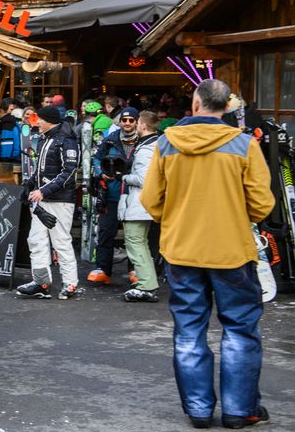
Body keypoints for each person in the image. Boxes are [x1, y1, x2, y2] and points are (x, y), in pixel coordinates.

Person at [139, 79, 275, 429]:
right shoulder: (244, 145)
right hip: (231, 252)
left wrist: (178, 218)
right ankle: (239, 410)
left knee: (188, 330)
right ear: (226, 108)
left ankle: (199, 410)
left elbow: (151, 201)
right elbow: (262, 205)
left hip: (181, 251)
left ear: (196, 106)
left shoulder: (166, 143)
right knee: (240, 331)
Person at [16, 107, 80, 300]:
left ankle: (70, 283)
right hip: (42, 198)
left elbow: (69, 171)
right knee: (36, 240)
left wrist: (43, 190)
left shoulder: (66, 140)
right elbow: (40, 168)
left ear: (50, 120)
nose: (36, 122)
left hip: (60, 199)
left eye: (39, 119)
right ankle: (41, 282)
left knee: (61, 240)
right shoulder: (44, 138)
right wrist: (30, 183)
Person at [88, 107, 140, 285]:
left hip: (134, 194)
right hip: (111, 192)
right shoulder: (111, 139)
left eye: (131, 120)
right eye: (124, 120)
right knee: (105, 232)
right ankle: (103, 270)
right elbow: (96, 158)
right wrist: (100, 173)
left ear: (137, 122)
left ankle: (135, 270)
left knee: (135, 235)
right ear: (120, 122)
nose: (127, 123)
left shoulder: (143, 140)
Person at [120, 110, 161, 303]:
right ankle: (148, 282)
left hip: (140, 203)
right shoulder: (156, 144)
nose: (134, 125)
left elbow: (144, 179)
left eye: (137, 123)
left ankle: (146, 284)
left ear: (143, 125)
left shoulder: (145, 149)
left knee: (135, 242)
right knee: (141, 243)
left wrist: (125, 177)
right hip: (147, 203)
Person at [0, 98, 21, 163]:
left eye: (14, 109)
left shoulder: (8, 124)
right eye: (11, 109)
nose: (14, 112)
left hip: (8, 159)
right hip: (12, 158)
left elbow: (6, 146)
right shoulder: (6, 123)